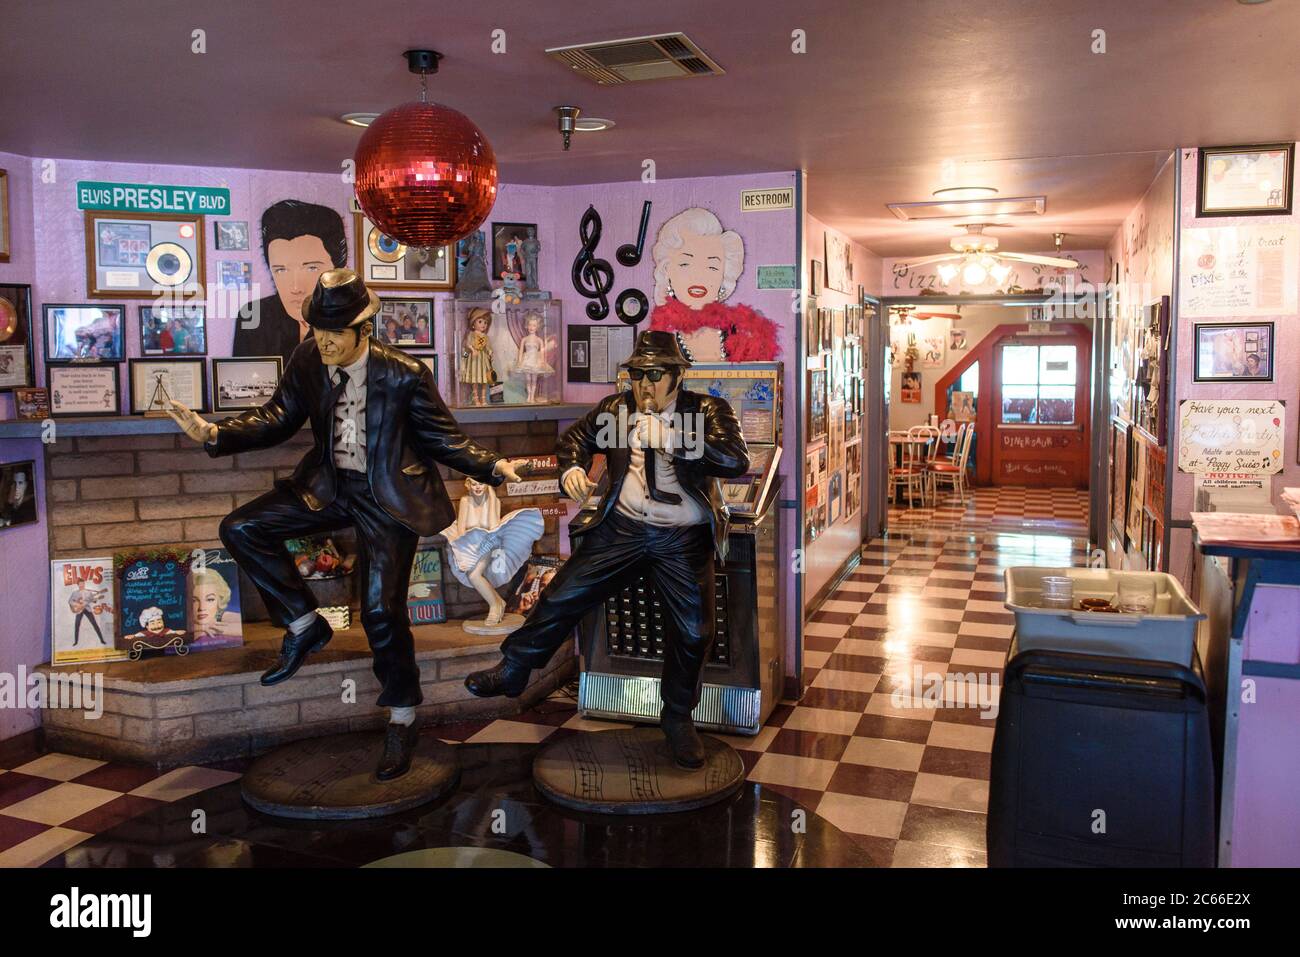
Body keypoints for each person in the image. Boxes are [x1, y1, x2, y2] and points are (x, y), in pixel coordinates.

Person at [168, 268, 524, 780]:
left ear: (365, 329)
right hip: (331, 487)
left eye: (335, 332)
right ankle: (305, 623)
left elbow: (444, 439)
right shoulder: (309, 359)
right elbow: (278, 416)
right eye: (317, 330)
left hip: (389, 497)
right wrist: (214, 433)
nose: (324, 341)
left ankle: (402, 717)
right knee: (242, 528)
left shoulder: (404, 374)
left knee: (381, 611)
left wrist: (492, 467)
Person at [465, 331, 750, 769]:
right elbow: (574, 440)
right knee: (564, 592)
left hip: (682, 537)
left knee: (694, 632)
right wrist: (571, 469)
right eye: (636, 374)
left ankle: (677, 717)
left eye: (655, 375)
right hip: (624, 528)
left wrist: (673, 437)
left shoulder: (705, 409)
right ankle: (516, 667)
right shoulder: (617, 409)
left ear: (677, 376)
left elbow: (735, 459)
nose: (644, 385)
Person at [648, 207, 779, 362]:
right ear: (667, 271)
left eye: (712, 267)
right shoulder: (657, 339)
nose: (699, 276)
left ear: (723, 276)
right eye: (685, 264)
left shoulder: (745, 331)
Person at [232, 200, 348, 364]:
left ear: (338, 269)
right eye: (281, 270)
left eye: (311, 268)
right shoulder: (253, 316)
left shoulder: (353, 317)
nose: (295, 287)